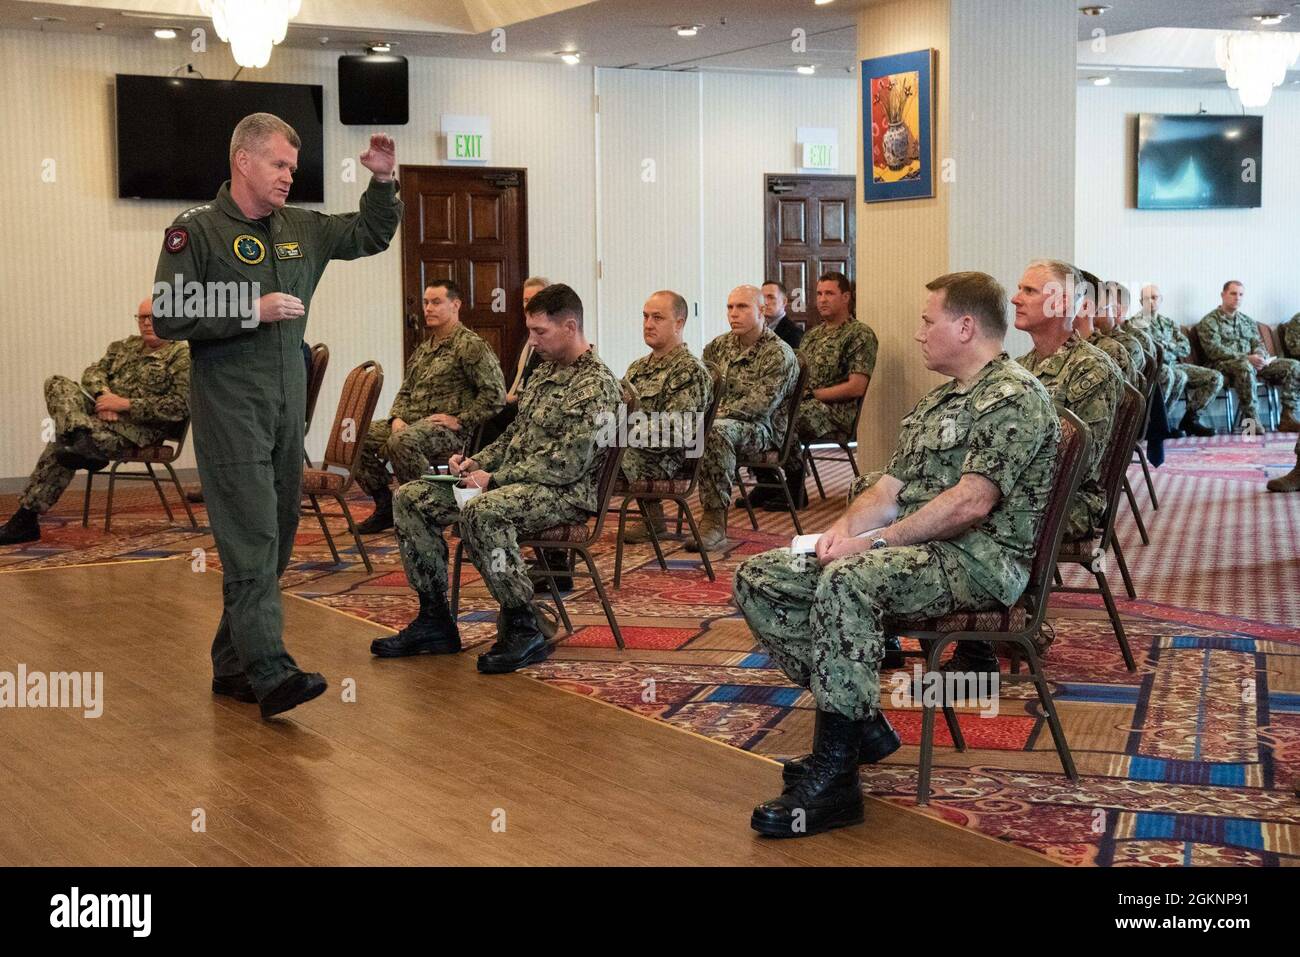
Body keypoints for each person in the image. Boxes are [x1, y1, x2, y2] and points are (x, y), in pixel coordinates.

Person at [733, 271, 1060, 838]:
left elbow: (971, 503)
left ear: (965, 327)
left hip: (979, 560)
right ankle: (862, 724)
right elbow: (887, 491)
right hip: (923, 551)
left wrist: (871, 545)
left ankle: (836, 775)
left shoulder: (1014, 397)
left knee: (850, 581)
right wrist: (836, 537)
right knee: (761, 576)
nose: (918, 333)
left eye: (928, 321)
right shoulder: (940, 400)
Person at [151, 112, 402, 719]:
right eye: (278, 164)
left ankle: (233, 663)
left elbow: (369, 233)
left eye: (293, 166)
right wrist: (249, 307)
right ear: (243, 161)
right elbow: (167, 313)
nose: (289, 176)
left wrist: (384, 183)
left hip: (288, 405)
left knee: (278, 531)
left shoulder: (302, 228)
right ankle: (270, 671)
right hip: (231, 405)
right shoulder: (197, 231)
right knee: (253, 534)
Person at [371, 283, 621, 674]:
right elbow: (512, 437)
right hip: (519, 482)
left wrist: (494, 479)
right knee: (412, 497)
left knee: (482, 511)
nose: (532, 341)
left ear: (570, 327)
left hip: (564, 493)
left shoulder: (596, 387)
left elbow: (565, 465)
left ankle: (523, 623)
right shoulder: (544, 374)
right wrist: (473, 463)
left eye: (541, 332)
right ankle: (434, 619)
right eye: (531, 331)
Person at [0, 299, 190, 545]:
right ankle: (81, 437)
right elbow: (92, 373)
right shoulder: (123, 347)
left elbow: (179, 406)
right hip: (99, 416)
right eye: (141, 317)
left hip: (137, 430)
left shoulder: (181, 356)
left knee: (61, 444)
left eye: (152, 317)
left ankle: (25, 519)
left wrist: (124, 405)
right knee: (57, 382)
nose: (145, 323)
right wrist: (103, 396)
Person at [354, 280, 505, 533]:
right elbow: (405, 390)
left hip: (447, 431)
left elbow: (496, 394)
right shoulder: (425, 348)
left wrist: (461, 420)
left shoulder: (470, 345)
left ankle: (427, 508)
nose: (428, 308)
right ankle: (385, 506)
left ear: (455, 305)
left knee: (402, 443)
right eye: (426, 302)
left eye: (436, 302)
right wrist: (396, 419)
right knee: (359, 437)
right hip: (412, 424)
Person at [1014, 259, 1124, 542]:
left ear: (1061, 303)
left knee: (960, 522)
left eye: (1029, 291)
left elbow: (1079, 464)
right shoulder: (1019, 368)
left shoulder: (1092, 368)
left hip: (1067, 503)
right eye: (1019, 289)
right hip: (1017, 492)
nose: (1015, 299)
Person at [689, 285, 799, 552]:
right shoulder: (717, 348)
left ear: (761, 310)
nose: (733, 314)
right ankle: (652, 508)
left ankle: (714, 521)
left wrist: (707, 420)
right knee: (662, 426)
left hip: (764, 431)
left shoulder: (778, 353)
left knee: (714, 432)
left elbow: (759, 407)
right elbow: (701, 392)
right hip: (725, 424)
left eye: (742, 307)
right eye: (730, 307)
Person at [762, 272, 876, 511]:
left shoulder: (859, 334)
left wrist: (814, 395)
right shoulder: (812, 336)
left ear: (846, 297)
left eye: (830, 294)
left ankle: (795, 490)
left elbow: (857, 386)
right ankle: (766, 484)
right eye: (819, 293)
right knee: (761, 413)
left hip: (836, 412)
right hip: (806, 404)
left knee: (786, 418)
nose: (822, 299)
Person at [620, 290, 712, 543]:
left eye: (658, 318)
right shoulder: (638, 367)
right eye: (645, 317)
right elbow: (619, 410)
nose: (648, 324)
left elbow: (678, 431)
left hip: (672, 459)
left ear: (679, 323)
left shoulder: (689, 370)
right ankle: (653, 521)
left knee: (591, 459)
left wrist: (620, 434)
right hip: (638, 451)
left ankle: (561, 543)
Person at [1198, 281, 1300, 433]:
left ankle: (1287, 416)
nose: (1237, 298)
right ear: (1223, 295)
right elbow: (1214, 351)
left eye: (1241, 294)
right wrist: (1246, 357)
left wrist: (1259, 356)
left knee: (1293, 366)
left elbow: (1258, 342)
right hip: (1224, 365)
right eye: (1233, 293)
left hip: (1253, 363)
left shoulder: (1247, 321)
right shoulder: (1209, 322)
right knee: (1244, 367)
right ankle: (1251, 421)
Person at [1135, 284, 1221, 437]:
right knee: (1176, 375)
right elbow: (1148, 351)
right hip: (1154, 367)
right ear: (1141, 302)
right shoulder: (1135, 324)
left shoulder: (1169, 323)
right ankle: (1158, 424)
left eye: (1154, 298)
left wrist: (1167, 345)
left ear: (1161, 300)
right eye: (1147, 299)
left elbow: (1185, 348)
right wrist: (1170, 348)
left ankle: (1191, 420)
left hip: (1174, 364)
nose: (1151, 302)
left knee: (1215, 377)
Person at [478, 277, 551, 448]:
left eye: (536, 299)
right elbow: (516, 378)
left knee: (487, 414)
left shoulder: (548, 340)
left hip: (532, 405)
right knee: (480, 410)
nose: (530, 304)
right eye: (526, 300)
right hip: (514, 400)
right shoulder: (526, 339)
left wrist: (508, 399)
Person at [760, 280, 805, 351]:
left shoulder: (794, 333)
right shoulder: (758, 328)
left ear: (784, 301)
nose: (765, 302)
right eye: (762, 298)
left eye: (771, 297)